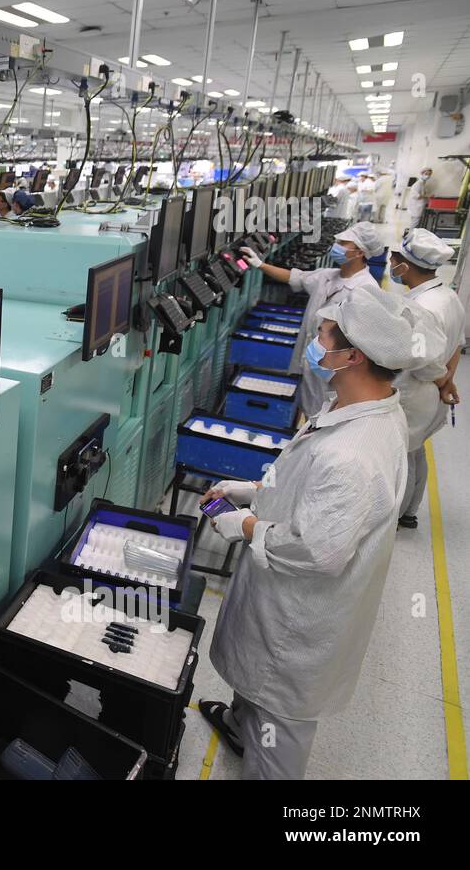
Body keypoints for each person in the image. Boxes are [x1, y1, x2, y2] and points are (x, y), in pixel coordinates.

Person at [198, 287, 424, 779]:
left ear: (352, 355)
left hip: (299, 621)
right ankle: (240, 724)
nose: (314, 341)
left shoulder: (354, 455)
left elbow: (318, 548)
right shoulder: (362, 405)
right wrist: (257, 489)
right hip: (279, 595)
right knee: (254, 691)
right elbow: (309, 487)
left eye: (323, 334)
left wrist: (247, 524)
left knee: (279, 724)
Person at [241, 220, 387, 417]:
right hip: (312, 361)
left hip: (335, 372)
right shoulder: (328, 275)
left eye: (343, 244)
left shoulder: (367, 290)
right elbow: (295, 277)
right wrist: (259, 264)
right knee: (309, 411)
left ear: (359, 252)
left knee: (327, 416)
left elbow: (366, 342)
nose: (336, 247)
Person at [389, 229, 465, 529]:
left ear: (404, 266)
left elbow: (424, 364)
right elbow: (456, 344)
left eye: (394, 259)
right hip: (433, 392)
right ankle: (409, 512)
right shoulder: (447, 296)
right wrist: (447, 382)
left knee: (400, 456)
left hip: (416, 391)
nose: (391, 264)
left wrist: (441, 381)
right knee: (415, 451)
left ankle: (394, 517)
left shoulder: (423, 308)